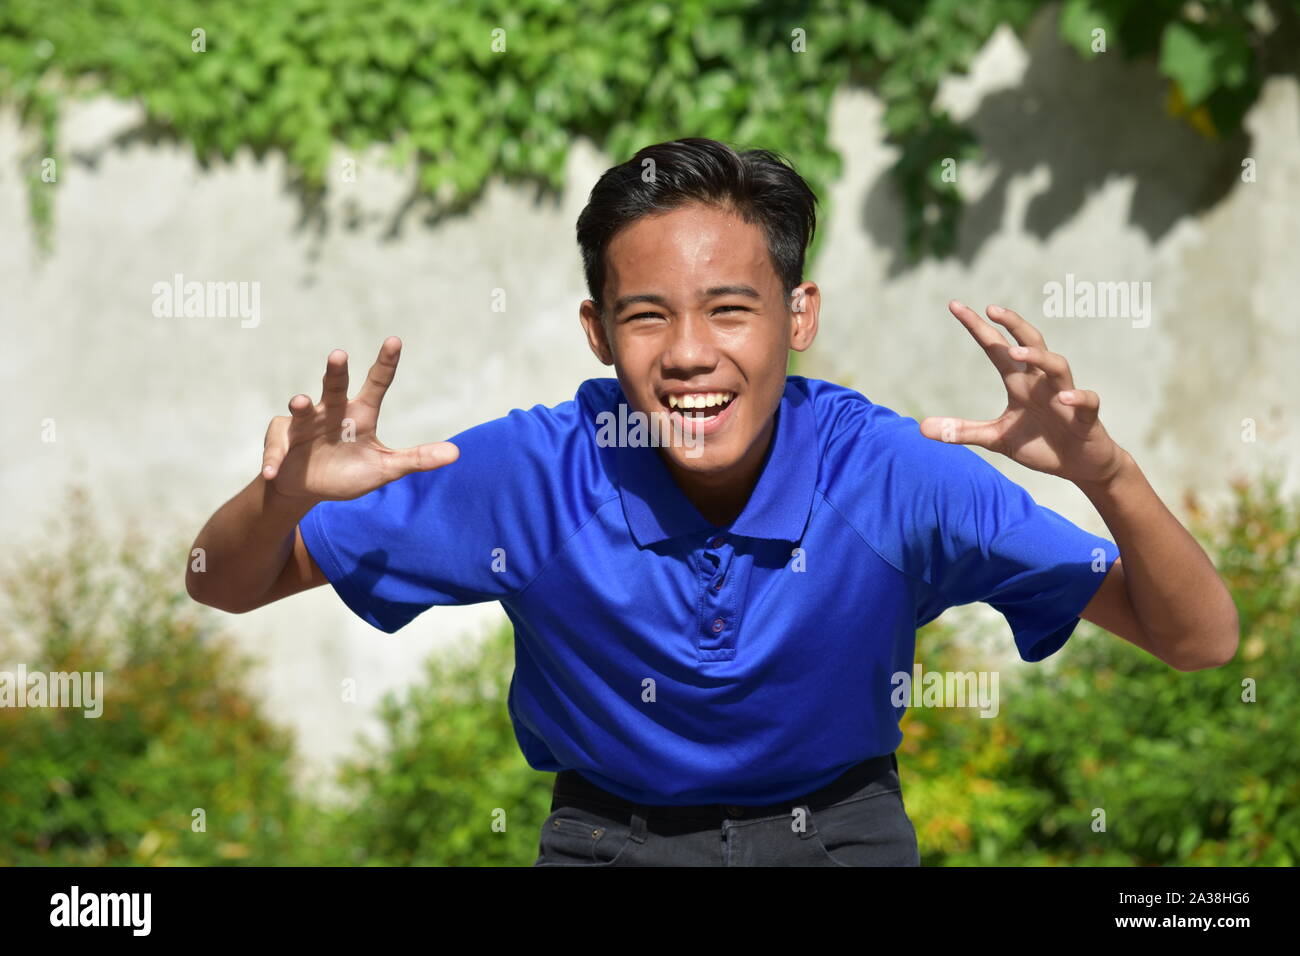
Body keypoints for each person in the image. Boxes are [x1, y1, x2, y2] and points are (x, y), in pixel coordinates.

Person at [186, 137, 1239, 866]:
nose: (690, 353)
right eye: (646, 317)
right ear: (599, 334)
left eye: (731, 309)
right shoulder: (538, 471)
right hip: (604, 841)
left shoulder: (889, 472)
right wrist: (277, 498)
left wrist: (1109, 474)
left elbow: (1196, 638)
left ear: (797, 314)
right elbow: (221, 582)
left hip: (842, 840)